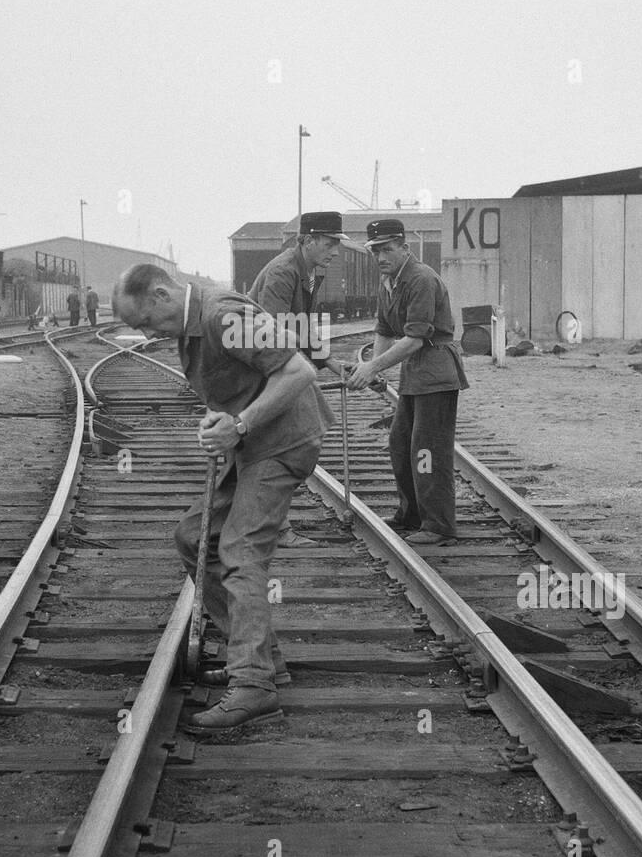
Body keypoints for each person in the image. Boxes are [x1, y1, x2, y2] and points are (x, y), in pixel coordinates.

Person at [113, 264, 332, 731]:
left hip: (282, 442)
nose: (148, 335)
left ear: (161, 294)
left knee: (239, 550)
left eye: (146, 323)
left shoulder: (221, 314)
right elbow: (233, 382)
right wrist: (219, 418)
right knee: (194, 537)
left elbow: (298, 371)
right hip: (254, 444)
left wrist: (241, 424)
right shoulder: (192, 327)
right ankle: (258, 660)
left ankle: (254, 688)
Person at [347, 218, 467, 546]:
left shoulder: (420, 279)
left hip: (436, 372)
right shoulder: (389, 282)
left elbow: (415, 338)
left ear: (404, 247)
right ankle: (412, 514)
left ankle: (439, 525)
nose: (381, 256)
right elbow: (385, 330)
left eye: (388, 249)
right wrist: (374, 366)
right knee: (401, 445)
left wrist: (373, 369)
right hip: (414, 374)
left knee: (428, 449)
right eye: (376, 251)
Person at [249, 210, 350, 546]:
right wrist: (295, 378)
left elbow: (301, 326)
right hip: (261, 368)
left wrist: (332, 363)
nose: (335, 251)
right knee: (289, 444)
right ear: (307, 241)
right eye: (330, 243)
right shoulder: (283, 272)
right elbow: (273, 333)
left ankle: (274, 527)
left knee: (294, 442)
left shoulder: (303, 270)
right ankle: (275, 530)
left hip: (276, 364)